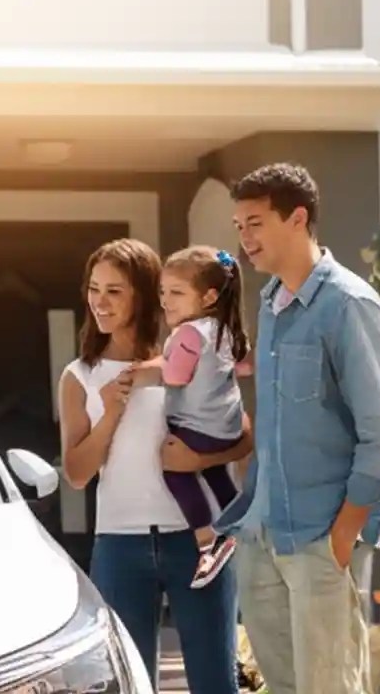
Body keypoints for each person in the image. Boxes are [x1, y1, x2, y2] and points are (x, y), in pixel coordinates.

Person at [209, 163, 380, 694]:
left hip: (320, 539)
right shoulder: (271, 304)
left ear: (297, 219)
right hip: (263, 536)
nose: (244, 239)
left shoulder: (349, 305)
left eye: (255, 223)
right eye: (238, 227)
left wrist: (343, 535)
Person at [59, 238, 252, 694]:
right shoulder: (79, 376)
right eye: (94, 289)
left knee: (214, 684)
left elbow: (243, 436)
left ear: (145, 294)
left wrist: (200, 458)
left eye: (114, 291)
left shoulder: (186, 359)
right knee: (129, 685)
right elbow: (76, 473)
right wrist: (109, 414)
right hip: (120, 547)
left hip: (198, 543)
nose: (99, 302)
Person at [130, 245, 252, 589]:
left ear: (209, 296)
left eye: (177, 293)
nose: (166, 300)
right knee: (213, 470)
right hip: (226, 426)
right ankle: (236, 519)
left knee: (175, 470)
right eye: (163, 292)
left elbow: (175, 378)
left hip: (197, 427)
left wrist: (154, 366)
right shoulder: (226, 329)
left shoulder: (187, 334)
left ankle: (205, 539)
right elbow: (243, 367)